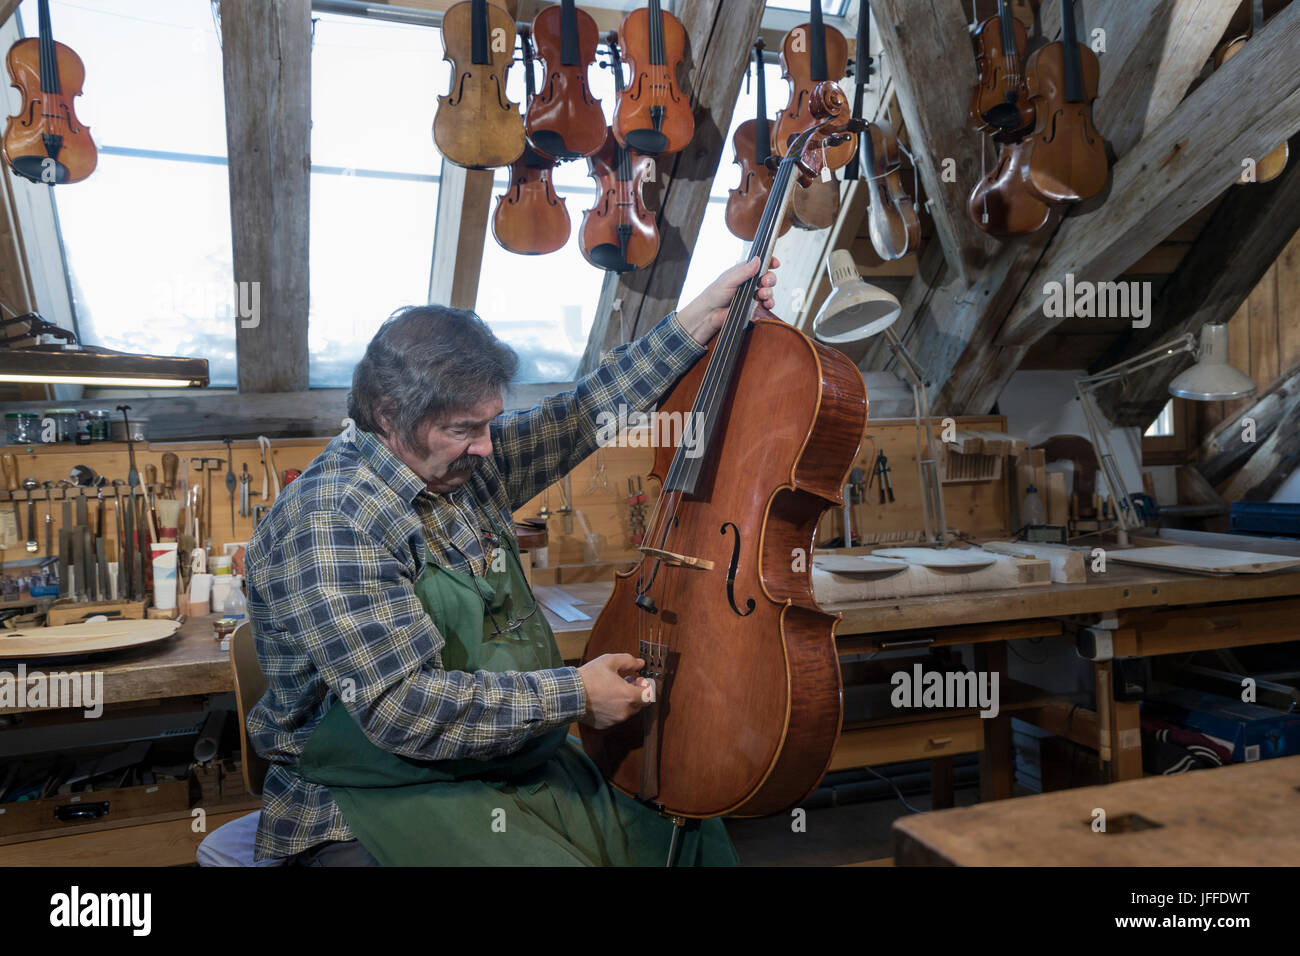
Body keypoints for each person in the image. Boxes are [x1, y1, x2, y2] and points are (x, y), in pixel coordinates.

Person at [245, 256, 779, 866]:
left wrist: (698, 318)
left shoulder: (459, 463)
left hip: (506, 760)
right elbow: (402, 711)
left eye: (491, 423)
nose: (488, 446)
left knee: (686, 839)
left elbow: (581, 415)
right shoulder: (332, 522)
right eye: (464, 430)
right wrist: (575, 696)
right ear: (389, 417)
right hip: (372, 790)